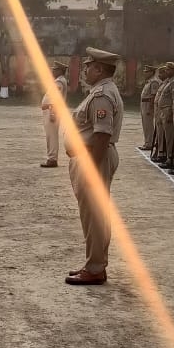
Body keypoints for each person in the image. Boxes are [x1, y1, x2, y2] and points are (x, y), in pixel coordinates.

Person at [65, 48, 124, 286]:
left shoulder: (102, 95)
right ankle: (95, 263)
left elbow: (101, 135)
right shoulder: (100, 91)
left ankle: (95, 268)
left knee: (94, 215)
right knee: (94, 214)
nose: (85, 70)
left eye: (88, 66)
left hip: (93, 158)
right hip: (90, 157)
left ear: (99, 69)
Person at [40, 61, 69, 168]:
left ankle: (52, 159)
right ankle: (51, 158)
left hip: (52, 110)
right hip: (50, 110)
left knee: (51, 136)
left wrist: (52, 112)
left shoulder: (59, 82)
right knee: (50, 135)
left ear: (60, 71)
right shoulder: (58, 81)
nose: (52, 71)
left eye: (55, 69)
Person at [154, 63, 174, 167]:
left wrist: (170, 114)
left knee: (169, 137)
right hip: (162, 110)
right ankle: (163, 154)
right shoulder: (167, 82)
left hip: (167, 111)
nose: (166, 71)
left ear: (173, 70)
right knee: (163, 135)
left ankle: (170, 157)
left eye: (168, 69)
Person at [138, 64, 161, 151]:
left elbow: (153, 95)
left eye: (147, 71)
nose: (145, 73)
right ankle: (147, 141)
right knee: (145, 124)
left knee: (148, 125)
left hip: (148, 104)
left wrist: (150, 108)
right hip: (144, 103)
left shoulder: (154, 81)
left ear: (151, 72)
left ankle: (149, 143)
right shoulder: (149, 81)